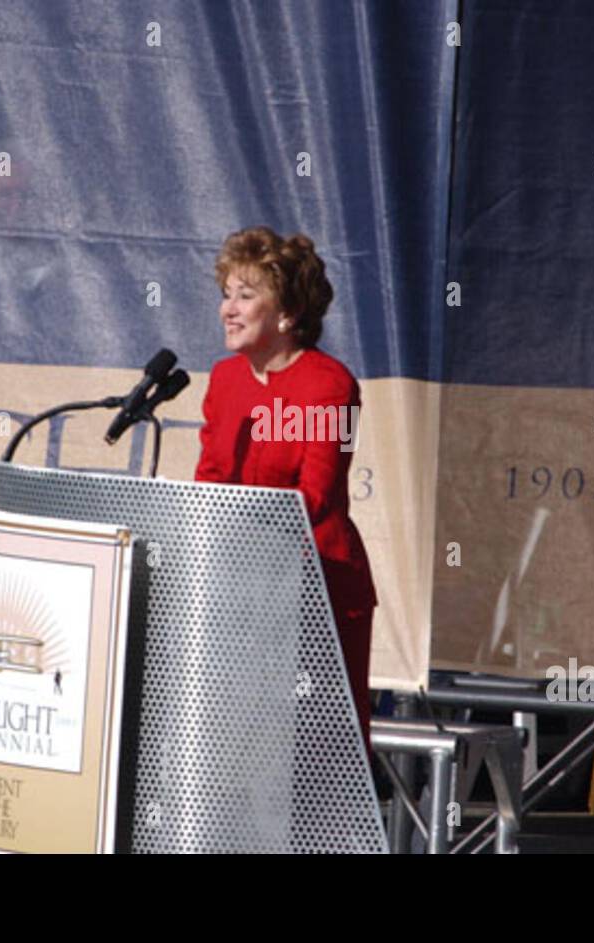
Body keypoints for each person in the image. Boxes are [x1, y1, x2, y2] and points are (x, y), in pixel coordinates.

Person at [195, 226, 378, 744]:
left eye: (246, 295)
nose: (228, 309)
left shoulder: (329, 384)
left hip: (314, 585)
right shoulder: (225, 380)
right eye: (226, 294)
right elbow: (209, 480)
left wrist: (236, 527)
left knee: (311, 746)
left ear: (288, 313)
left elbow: (314, 498)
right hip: (239, 592)